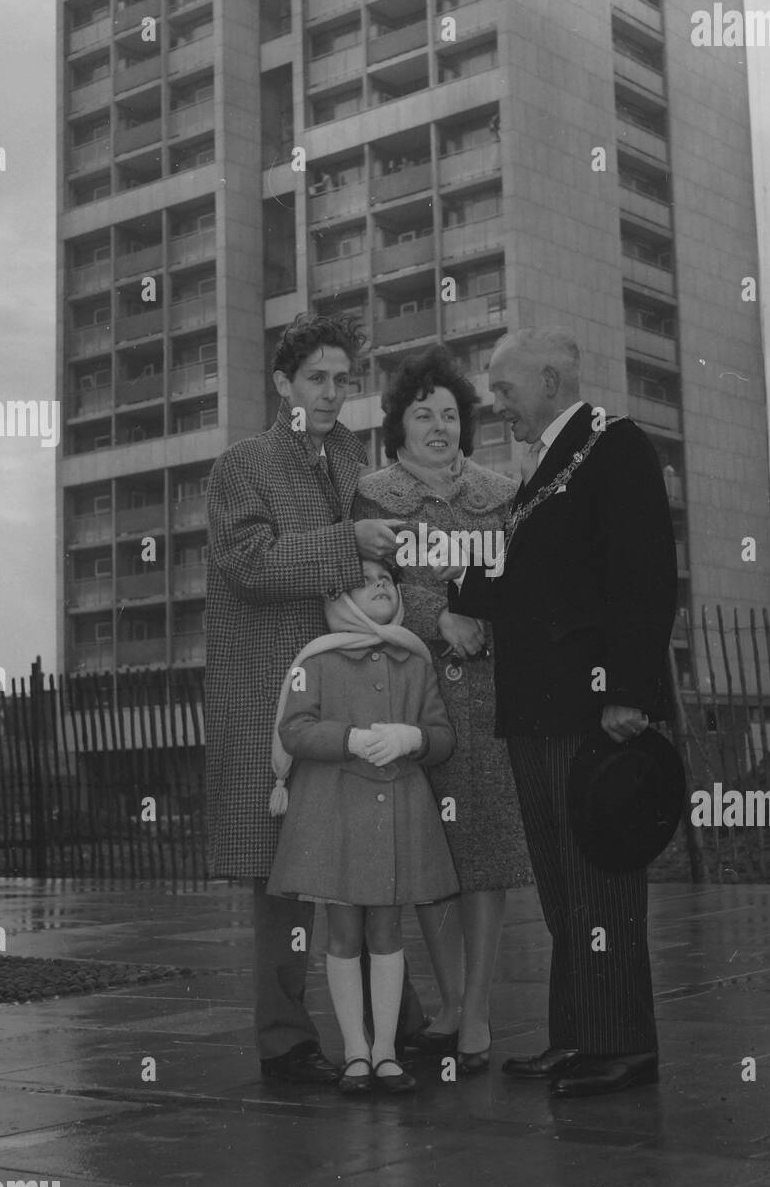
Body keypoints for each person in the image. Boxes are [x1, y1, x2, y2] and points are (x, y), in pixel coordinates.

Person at [448, 327, 678, 1098]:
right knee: (561, 882)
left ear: (548, 380)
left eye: (504, 390)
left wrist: (630, 693)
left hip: (590, 709)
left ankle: (621, 1043)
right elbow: (532, 581)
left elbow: (646, 575)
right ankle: (576, 1036)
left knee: (599, 877)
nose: (495, 405)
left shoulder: (615, 446)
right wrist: (452, 592)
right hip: (538, 712)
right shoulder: (548, 462)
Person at [204, 312, 419, 1085]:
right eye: (317, 379)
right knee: (282, 873)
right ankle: (284, 1038)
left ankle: (398, 1020)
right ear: (283, 384)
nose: (332, 393)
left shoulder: (352, 456)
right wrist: (347, 544)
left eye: (342, 380)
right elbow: (248, 564)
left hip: (352, 685)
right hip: (272, 687)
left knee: (368, 845)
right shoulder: (243, 464)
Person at [355, 347, 530, 1073]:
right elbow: (368, 587)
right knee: (429, 852)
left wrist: (487, 618)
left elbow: (523, 576)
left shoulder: (502, 491)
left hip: (489, 692)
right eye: (423, 413)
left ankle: (478, 1013)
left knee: (485, 850)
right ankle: (451, 1001)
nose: (438, 425)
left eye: (450, 414)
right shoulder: (373, 495)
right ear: (399, 426)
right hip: (412, 688)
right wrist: (440, 616)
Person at [265, 560, 459, 1094]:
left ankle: (386, 1052)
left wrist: (411, 738)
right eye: (365, 578)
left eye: (387, 580)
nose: (381, 585)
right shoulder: (317, 661)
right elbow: (294, 729)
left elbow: (442, 736)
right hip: (336, 815)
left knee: (389, 930)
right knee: (344, 932)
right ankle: (354, 1051)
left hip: (397, 812)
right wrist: (349, 738)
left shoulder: (415, 661)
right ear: (339, 597)